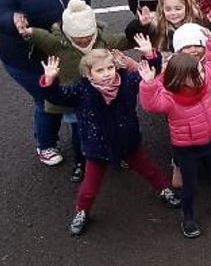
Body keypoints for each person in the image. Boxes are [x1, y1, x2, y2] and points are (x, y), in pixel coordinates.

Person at [0, 0, 111, 167]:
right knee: (48, 100)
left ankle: (87, 143)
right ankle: (46, 144)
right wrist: (13, 20)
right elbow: (3, 11)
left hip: (70, 47)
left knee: (77, 94)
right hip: (29, 56)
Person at [41, 51, 180, 236]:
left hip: (127, 142)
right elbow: (58, 96)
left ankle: (164, 190)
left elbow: (149, 71)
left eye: (110, 68)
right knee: (89, 186)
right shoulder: (80, 91)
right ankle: (82, 211)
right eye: (100, 70)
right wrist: (50, 81)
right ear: (88, 74)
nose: (107, 73)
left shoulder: (127, 83)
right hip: (98, 148)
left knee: (149, 169)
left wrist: (150, 55)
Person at [16, 0, 139, 182]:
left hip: (101, 97)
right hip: (74, 98)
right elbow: (43, 37)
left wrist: (141, 26)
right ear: (68, 33)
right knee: (79, 133)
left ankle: (116, 154)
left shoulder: (103, 40)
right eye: (78, 38)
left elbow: (124, 39)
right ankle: (81, 162)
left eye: (88, 36)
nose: (84, 40)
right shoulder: (59, 44)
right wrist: (29, 32)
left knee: (110, 127)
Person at [138, 26, 211, 238]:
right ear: (177, 78)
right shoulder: (168, 97)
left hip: (208, 142)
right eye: (196, 74)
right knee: (190, 185)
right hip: (185, 150)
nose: (202, 75)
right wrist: (148, 83)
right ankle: (188, 217)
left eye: (201, 71)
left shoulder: (203, 82)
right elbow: (150, 105)